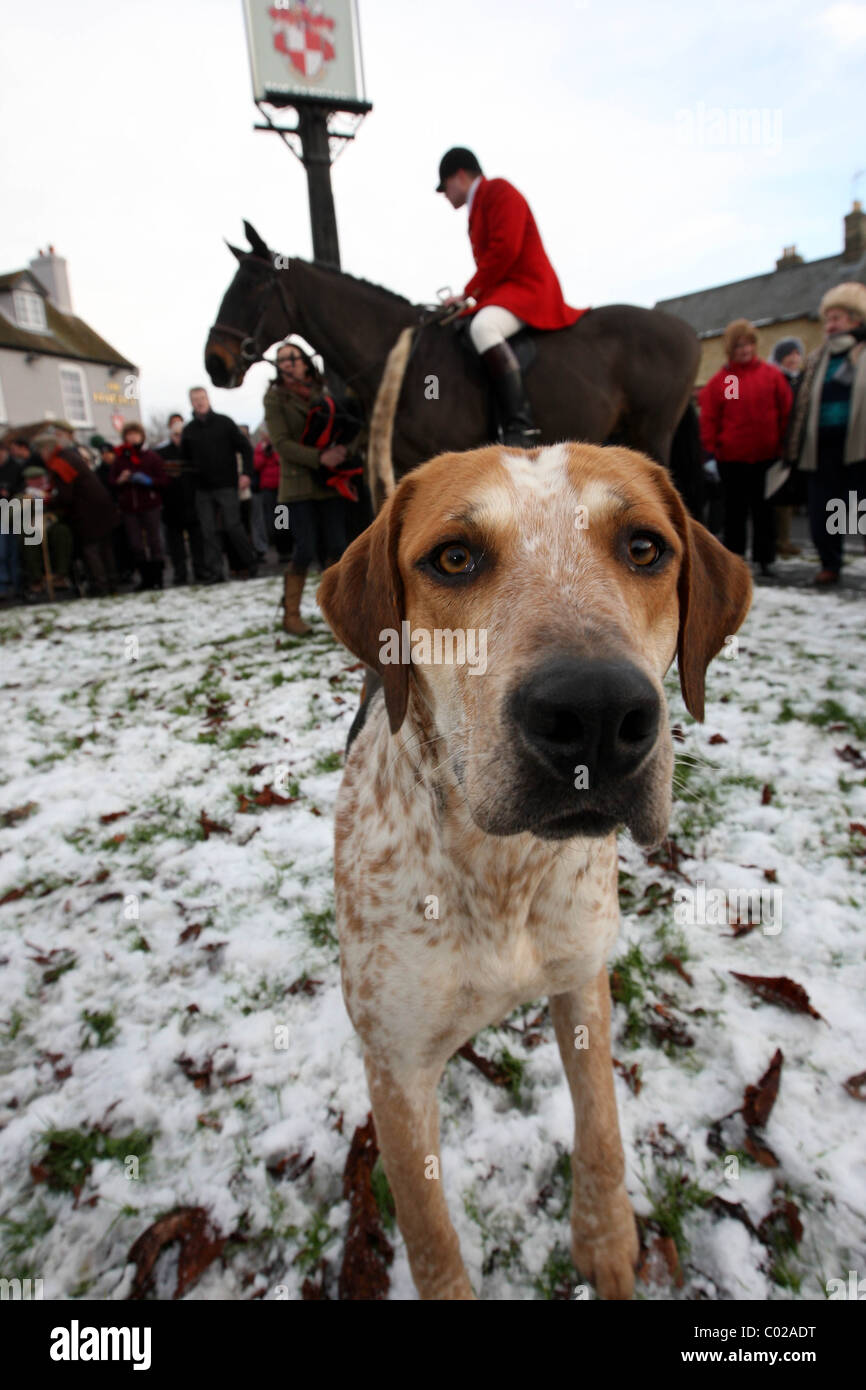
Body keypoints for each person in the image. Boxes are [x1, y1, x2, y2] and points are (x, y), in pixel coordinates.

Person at [436, 146, 585, 447]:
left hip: (529, 287)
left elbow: (505, 250)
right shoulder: (477, 206)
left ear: (460, 176)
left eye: (445, 186)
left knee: (483, 327)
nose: (444, 194)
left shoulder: (498, 191)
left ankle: (522, 426)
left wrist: (467, 294)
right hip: (506, 289)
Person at [263, 340, 359, 635]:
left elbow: (349, 423)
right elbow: (281, 444)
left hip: (329, 482)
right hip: (297, 485)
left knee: (337, 548)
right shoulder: (275, 398)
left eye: (292, 357)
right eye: (281, 360)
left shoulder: (325, 391)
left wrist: (343, 450)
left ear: (305, 361)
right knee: (304, 548)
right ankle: (291, 615)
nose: (288, 363)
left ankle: (342, 614)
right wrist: (320, 457)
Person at [785, 282, 866, 586]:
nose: (831, 324)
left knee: (859, 508)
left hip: (858, 447)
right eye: (828, 318)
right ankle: (830, 563)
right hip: (820, 448)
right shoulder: (817, 359)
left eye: (838, 318)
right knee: (826, 510)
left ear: (856, 319)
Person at [698, 318, 792, 576]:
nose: (745, 350)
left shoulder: (772, 376)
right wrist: (712, 452)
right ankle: (736, 560)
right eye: (739, 345)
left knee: (764, 511)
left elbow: (786, 411)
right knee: (734, 513)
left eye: (748, 344)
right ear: (731, 349)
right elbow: (711, 417)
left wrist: (785, 446)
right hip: (732, 459)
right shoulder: (726, 382)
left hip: (767, 456)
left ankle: (766, 558)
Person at [181, 387, 258, 583]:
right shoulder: (189, 431)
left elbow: (245, 448)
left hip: (226, 485)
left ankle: (250, 563)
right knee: (208, 531)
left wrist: (246, 474)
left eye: (202, 398)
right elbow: (185, 463)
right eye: (195, 399)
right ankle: (215, 572)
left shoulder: (224, 423)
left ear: (208, 399)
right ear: (191, 402)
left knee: (234, 526)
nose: (199, 402)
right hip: (202, 489)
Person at [109, 422, 168, 590]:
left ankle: (159, 577)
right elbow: (112, 481)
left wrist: (149, 482)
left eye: (136, 434)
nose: (133, 437)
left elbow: (163, 480)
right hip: (129, 507)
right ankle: (145, 578)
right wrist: (121, 480)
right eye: (129, 434)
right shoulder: (120, 459)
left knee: (154, 540)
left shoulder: (151, 457)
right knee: (136, 543)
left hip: (150, 503)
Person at [157, 413, 206, 585]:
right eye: (176, 435)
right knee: (176, 544)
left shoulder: (194, 451)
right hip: (172, 504)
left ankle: (200, 569)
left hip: (193, 502)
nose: (179, 438)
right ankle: (180, 573)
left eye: (182, 434)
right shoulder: (162, 453)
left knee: (197, 541)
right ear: (171, 436)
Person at [770, 337, 805, 557]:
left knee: (790, 498)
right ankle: (779, 541)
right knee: (778, 499)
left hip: (796, 448)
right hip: (774, 449)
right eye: (788, 355)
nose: (793, 359)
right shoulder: (775, 379)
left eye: (796, 354)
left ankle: (784, 540)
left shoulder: (801, 380)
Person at [254, 428, 293, 563]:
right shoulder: (259, 448)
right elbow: (257, 465)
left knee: (283, 520)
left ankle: (286, 550)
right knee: (272, 521)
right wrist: (265, 454)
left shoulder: (280, 445)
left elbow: (283, 461)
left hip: (281, 488)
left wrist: (274, 453)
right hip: (268, 490)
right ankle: (280, 548)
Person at [0, 442, 23, 602]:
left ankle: (16, 584)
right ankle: (4, 585)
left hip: (13, 513)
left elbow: (22, 490)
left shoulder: (16, 468)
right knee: (1, 552)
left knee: (13, 551)